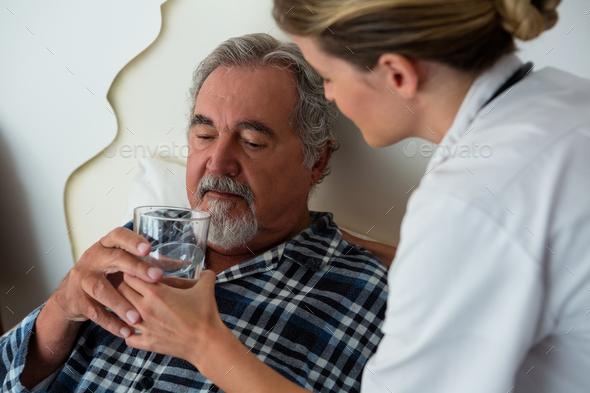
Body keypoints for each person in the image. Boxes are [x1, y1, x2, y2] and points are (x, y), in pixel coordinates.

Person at [0, 34, 389, 393]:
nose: (217, 163)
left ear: (315, 162)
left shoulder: (365, 290)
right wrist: (60, 312)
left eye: (252, 141)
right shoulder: (141, 240)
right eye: (204, 136)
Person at [271, 0, 590, 392]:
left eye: (327, 75)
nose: (329, 93)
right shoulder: (569, 95)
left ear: (397, 74)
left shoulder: (466, 203)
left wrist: (204, 341)